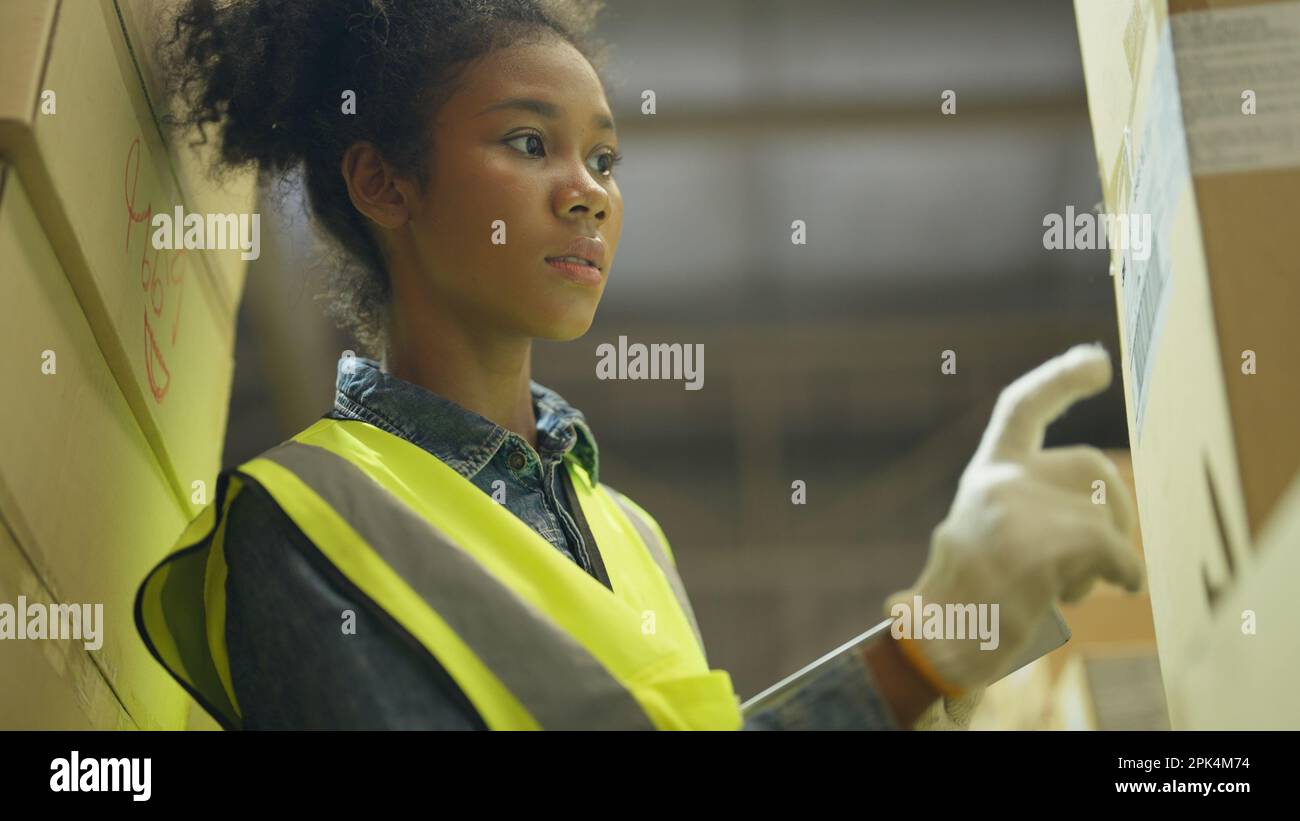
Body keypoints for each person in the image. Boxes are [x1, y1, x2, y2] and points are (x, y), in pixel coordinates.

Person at [134, 0, 1145, 730]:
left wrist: (944, 654)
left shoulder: (630, 532)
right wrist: (915, 653)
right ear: (384, 182)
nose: (589, 194)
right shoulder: (296, 516)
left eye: (604, 159)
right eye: (529, 143)